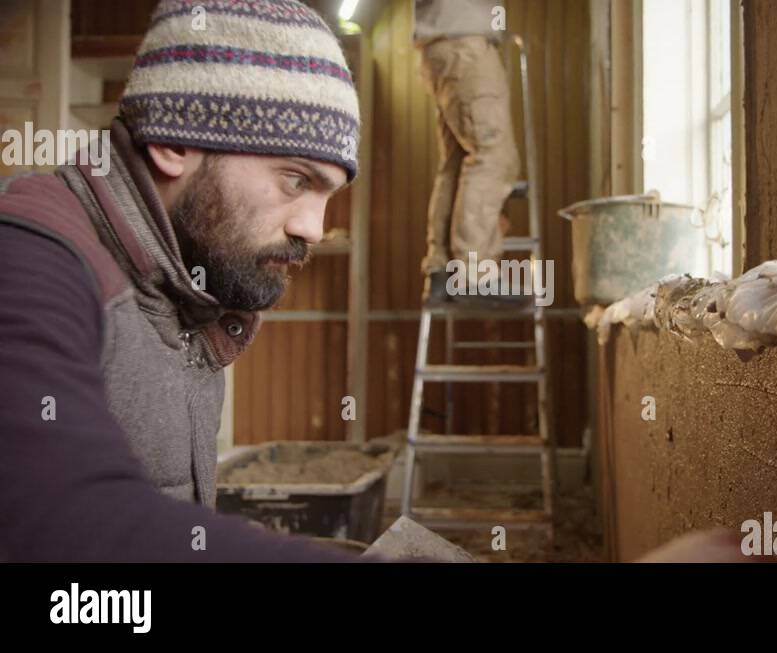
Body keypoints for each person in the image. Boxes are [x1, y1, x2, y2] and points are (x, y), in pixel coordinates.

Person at [0, 0, 365, 562]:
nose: (313, 229)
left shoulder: (188, 291)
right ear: (175, 144)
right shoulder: (29, 257)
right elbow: (58, 516)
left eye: (328, 195)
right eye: (295, 180)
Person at [413, 0, 522, 306]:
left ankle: (441, 272)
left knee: (458, 161)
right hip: (465, 40)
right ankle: (474, 275)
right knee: (493, 155)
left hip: (443, 39)